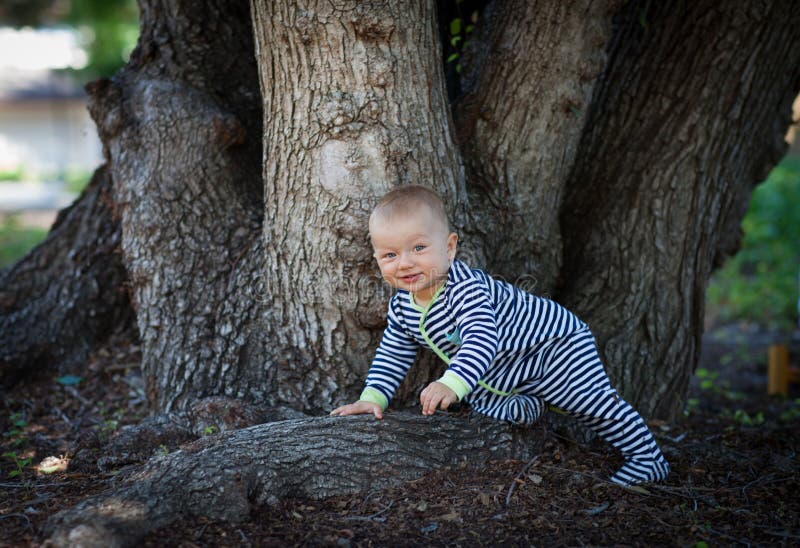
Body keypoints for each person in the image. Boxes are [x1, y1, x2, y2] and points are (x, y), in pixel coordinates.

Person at [330, 185, 669, 486]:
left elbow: (481, 339)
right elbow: (393, 352)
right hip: (505, 368)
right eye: (390, 255)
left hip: (554, 347)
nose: (404, 263)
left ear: (449, 248)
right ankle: (529, 405)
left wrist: (451, 384)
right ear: (377, 259)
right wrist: (373, 398)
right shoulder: (403, 305)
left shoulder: (465, 289)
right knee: (484, 402)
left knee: (591, 403)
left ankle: (647, 458)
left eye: (418, 248)